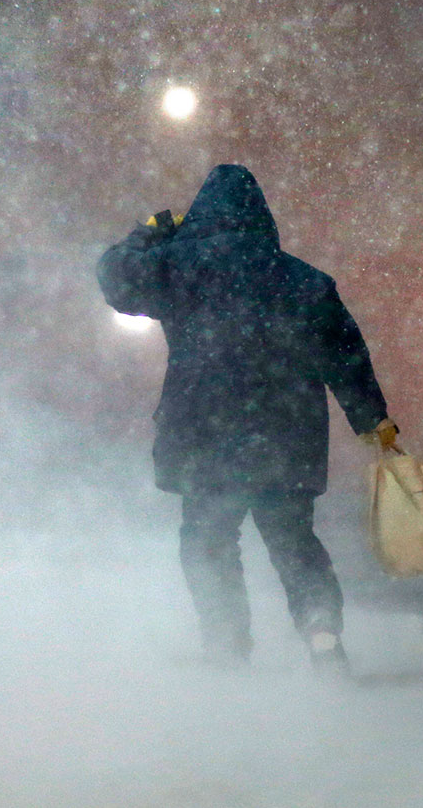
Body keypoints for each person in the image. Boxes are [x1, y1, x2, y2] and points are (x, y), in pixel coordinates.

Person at [98, 164, 396, 670]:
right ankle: (322, 634)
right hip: (288, 432)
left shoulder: (179, 266)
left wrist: (150, 231)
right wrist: (372, 420)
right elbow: (346, 357)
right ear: (261, 216)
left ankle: (227, 645)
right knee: (294, 540)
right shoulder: (305, 280)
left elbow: (115, 278)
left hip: (204, 432)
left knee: (208, 539)